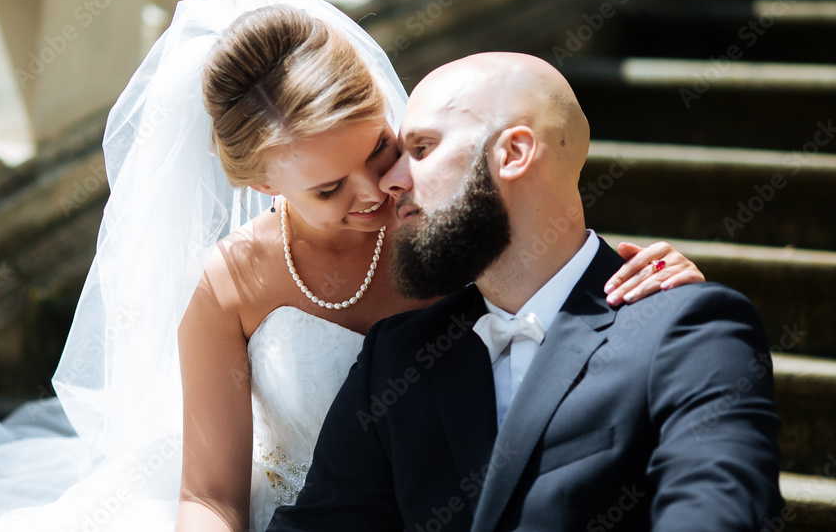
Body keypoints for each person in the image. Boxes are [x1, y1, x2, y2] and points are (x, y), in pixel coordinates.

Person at [0, 0, 703, 531]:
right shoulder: (231, 284)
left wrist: (647, 274)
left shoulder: (436, 216)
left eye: (379, 152)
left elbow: (548, 258)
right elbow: (211, 495)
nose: (377, 195)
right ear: (261, 184)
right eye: (326, 190)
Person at [267, 52, 783, 532]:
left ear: (513, 153)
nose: (390, 182)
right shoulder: (395, 358)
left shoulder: (688, 330)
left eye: (421, 149)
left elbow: (716, 514)